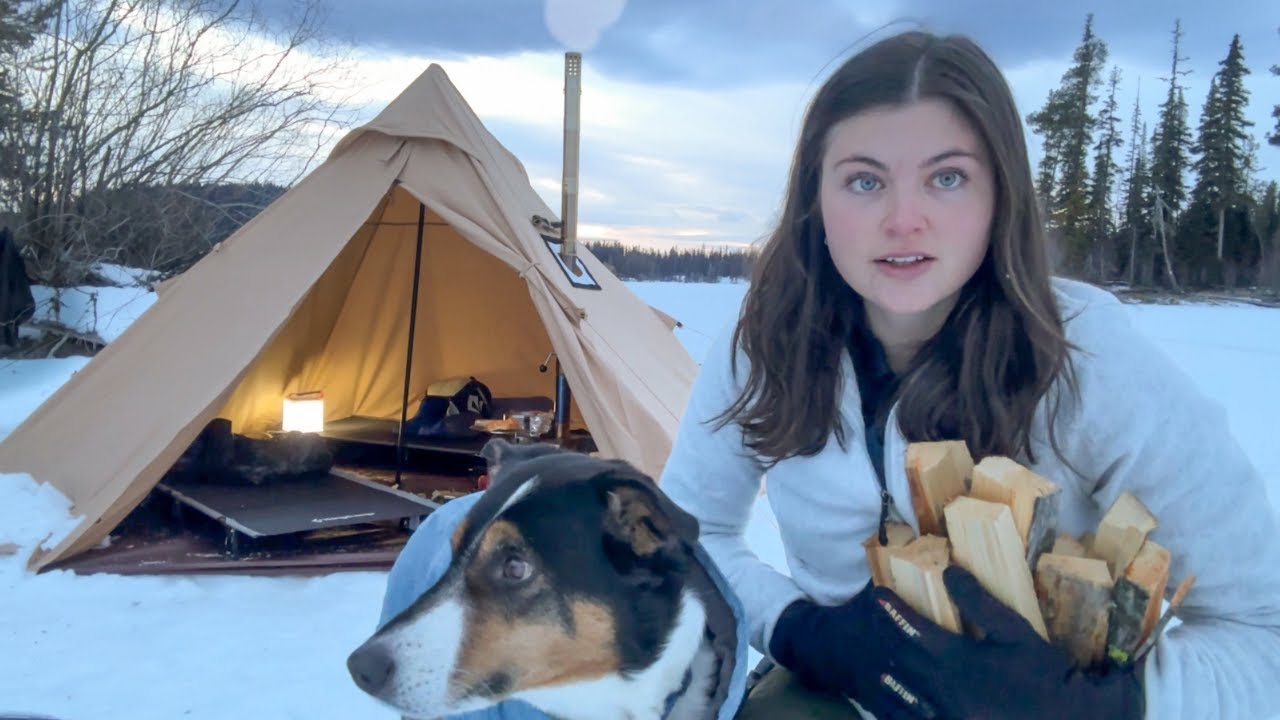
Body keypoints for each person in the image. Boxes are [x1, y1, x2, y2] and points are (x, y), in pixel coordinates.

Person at [657, 29, 1280, 720]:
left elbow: (1261, 620)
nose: (903, 220)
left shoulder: (1085, 362)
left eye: (946, 178)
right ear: (815, 201)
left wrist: (1112, 705)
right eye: (865, 181)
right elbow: (686, 531)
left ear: (998, 197)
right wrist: (806, 632)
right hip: (840, 695)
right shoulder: (767, 341)